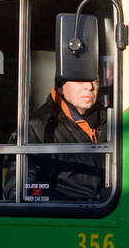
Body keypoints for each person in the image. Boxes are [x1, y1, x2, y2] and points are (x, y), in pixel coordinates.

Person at [17, 73, 108, 202]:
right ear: (60, 88)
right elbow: (21, 190)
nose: (89, 86)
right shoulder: (39, 127)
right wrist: (72, 205)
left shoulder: (113, 120)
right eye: (79, 80)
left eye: (95, 81)